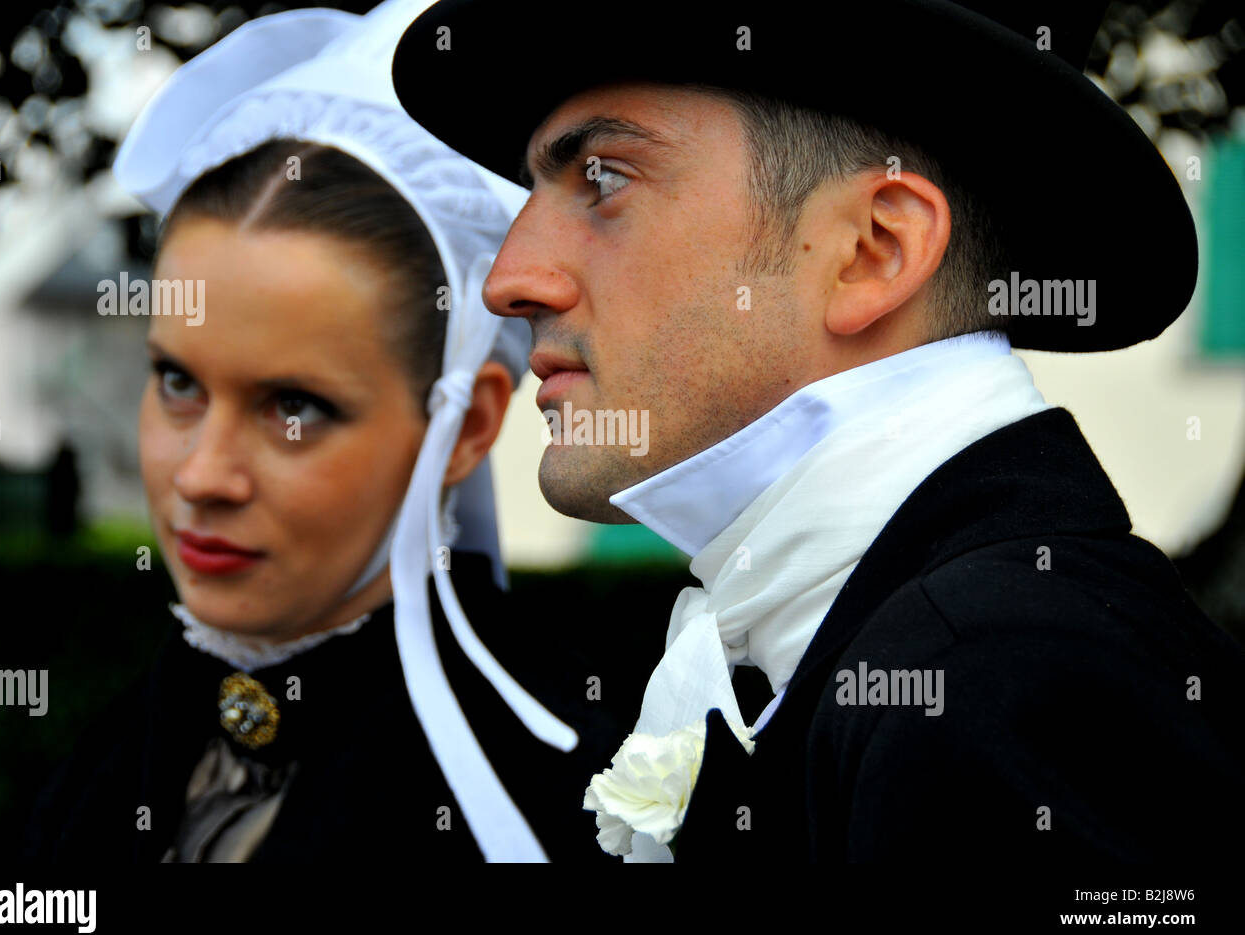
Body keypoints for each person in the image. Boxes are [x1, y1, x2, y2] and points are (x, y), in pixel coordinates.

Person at [391, 0, 1245, 861]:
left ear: (874, 249)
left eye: (605, 179)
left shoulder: (997, 681)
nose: (509, 280)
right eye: (532, 190)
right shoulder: (938, 642)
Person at [22, 1, 624, 864]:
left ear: (467, 425)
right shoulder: (103, 768)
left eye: (293, 407)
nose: (204, 476)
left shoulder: (579, 799)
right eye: (178, 382)